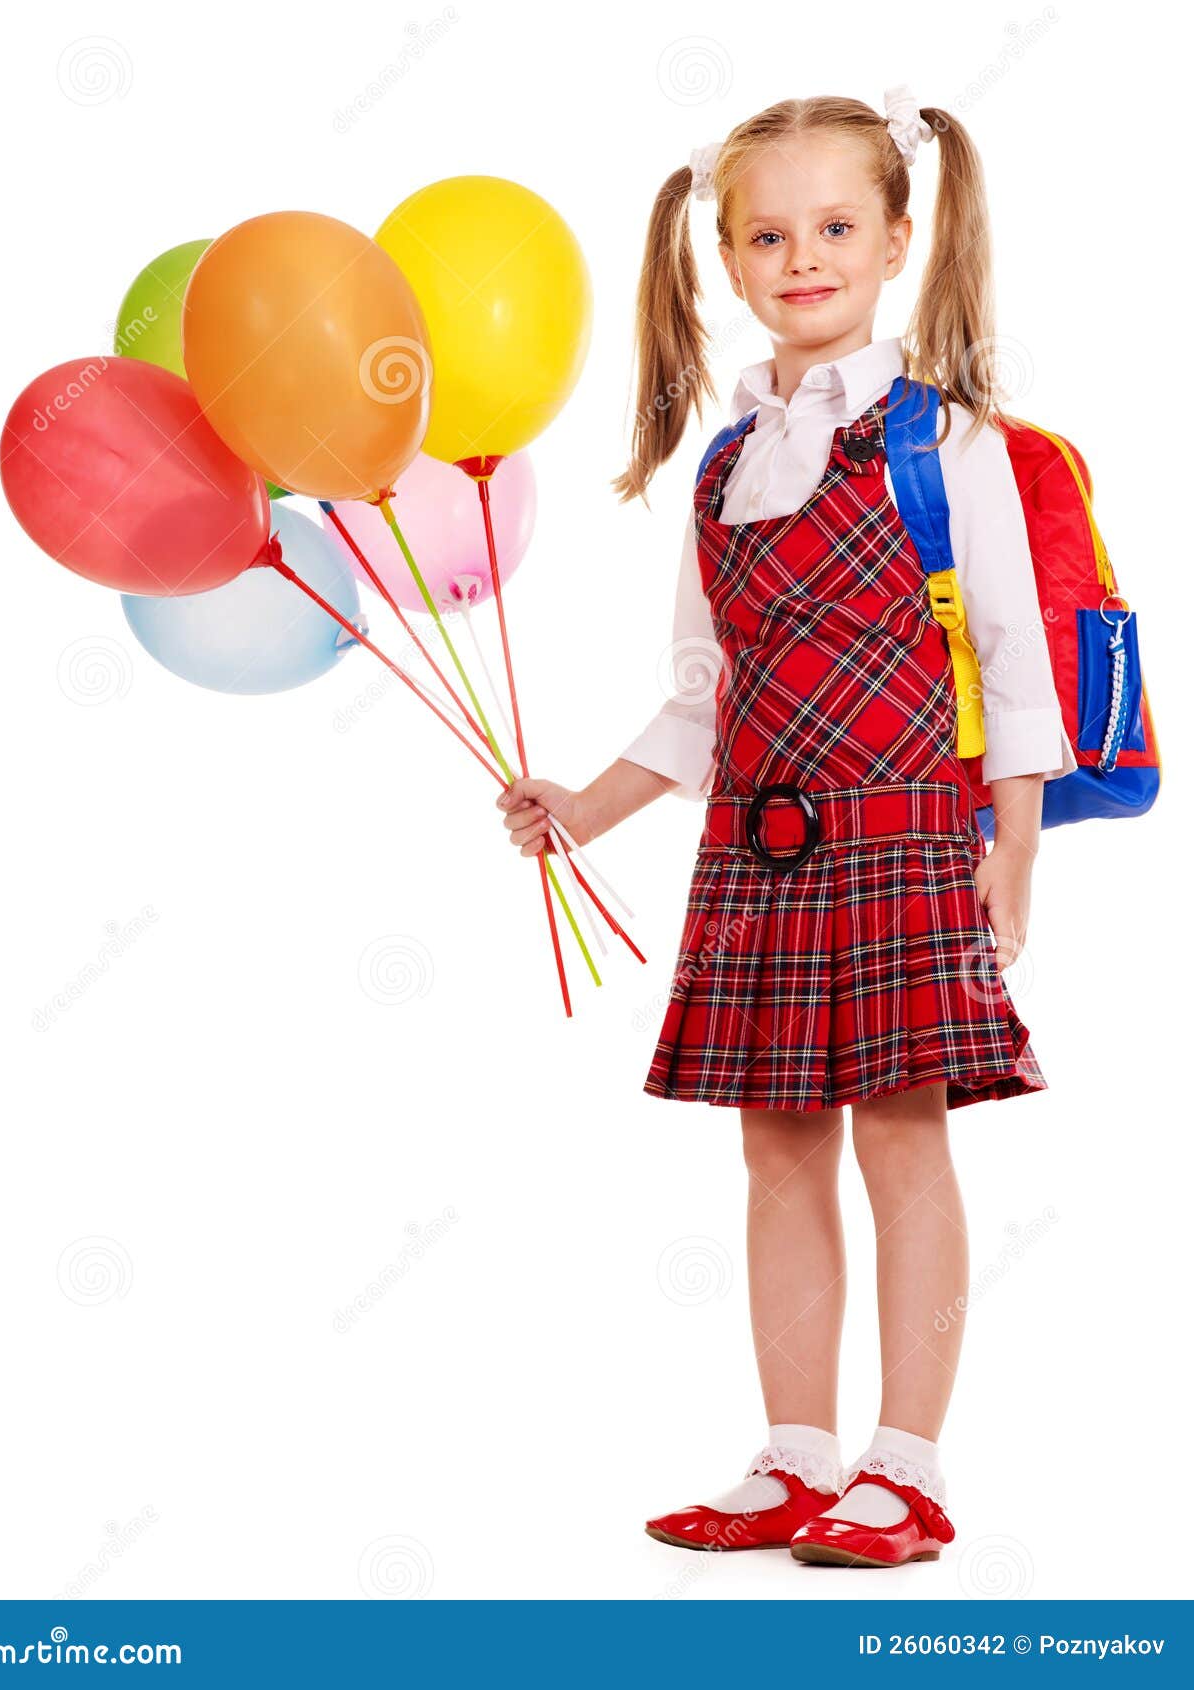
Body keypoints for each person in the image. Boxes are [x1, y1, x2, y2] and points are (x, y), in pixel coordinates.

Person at [495, 87, 1076, 1568]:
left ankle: (910, 1461)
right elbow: (701, 699)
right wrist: (583, 807)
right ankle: (801, 1455)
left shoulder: (945, 438)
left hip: (903, 842)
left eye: (832, 227)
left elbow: (1011, 661)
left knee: (903, 1144)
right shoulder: (722, 463)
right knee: (776, 1157)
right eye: (767, 233)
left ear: (894, 241)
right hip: (758, 855)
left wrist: (1012, 848)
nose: (800, 256)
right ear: (725, 257)